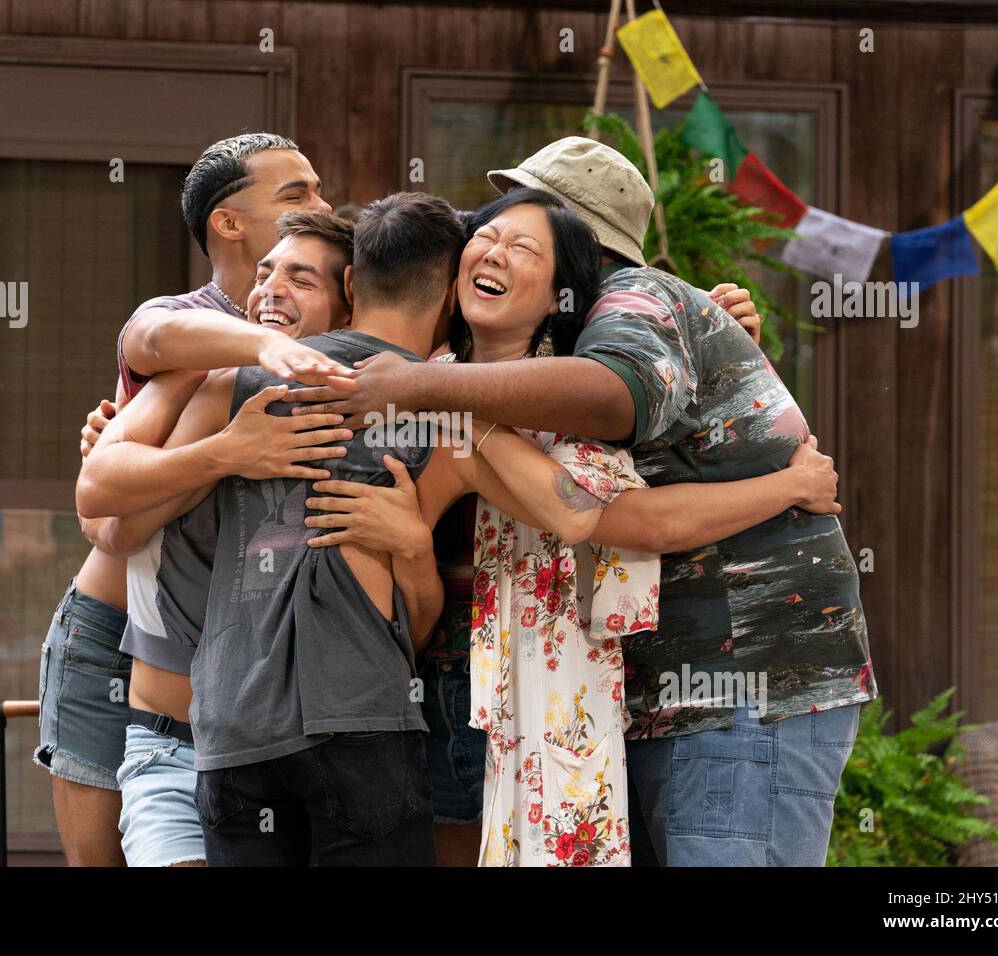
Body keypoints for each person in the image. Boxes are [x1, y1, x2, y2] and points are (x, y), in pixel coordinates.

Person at [287, 138, 876, 867]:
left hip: (742, 677)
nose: (492, 246)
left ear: (578, 256)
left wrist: (425, 391)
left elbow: (600, 470)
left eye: (527, 238)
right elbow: (425, 511)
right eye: (490, 232)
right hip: (598, 693)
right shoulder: (493, 366)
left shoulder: (631, 307)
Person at [37, 131, 331, 865]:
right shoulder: (182, 318)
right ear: (228, 223)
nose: (319, 205)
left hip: (240, 666)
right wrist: (259, 352)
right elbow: (108, 525)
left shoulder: (329, 326)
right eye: (295, 194)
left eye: (318, 192)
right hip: (112, 633)